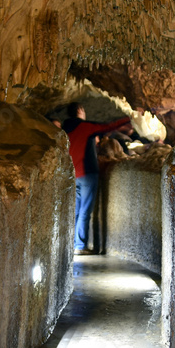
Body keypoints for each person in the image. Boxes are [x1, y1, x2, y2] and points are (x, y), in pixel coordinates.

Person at [61, 102, 132, 253]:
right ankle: (80, 246)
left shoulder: (64, 129)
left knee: (76, 211)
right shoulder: (83, 126)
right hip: (87, 173)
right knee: (85, 211)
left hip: (71, 175)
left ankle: (73, 244)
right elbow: (106, 126)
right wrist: (129, 118)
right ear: (80, 110)